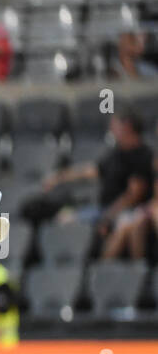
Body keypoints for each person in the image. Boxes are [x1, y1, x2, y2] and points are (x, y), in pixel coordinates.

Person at [21, 108, 153, 257]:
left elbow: (133, 195)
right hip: (102, 208)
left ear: (127, 126)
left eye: (115, 125)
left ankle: (102, 271)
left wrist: (108, 217)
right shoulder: (116, 153)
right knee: (63, 218)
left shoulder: (142, 155)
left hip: (125, 211)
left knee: (122, 224)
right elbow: (92, 170)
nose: (111, 129)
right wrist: (59, 177)